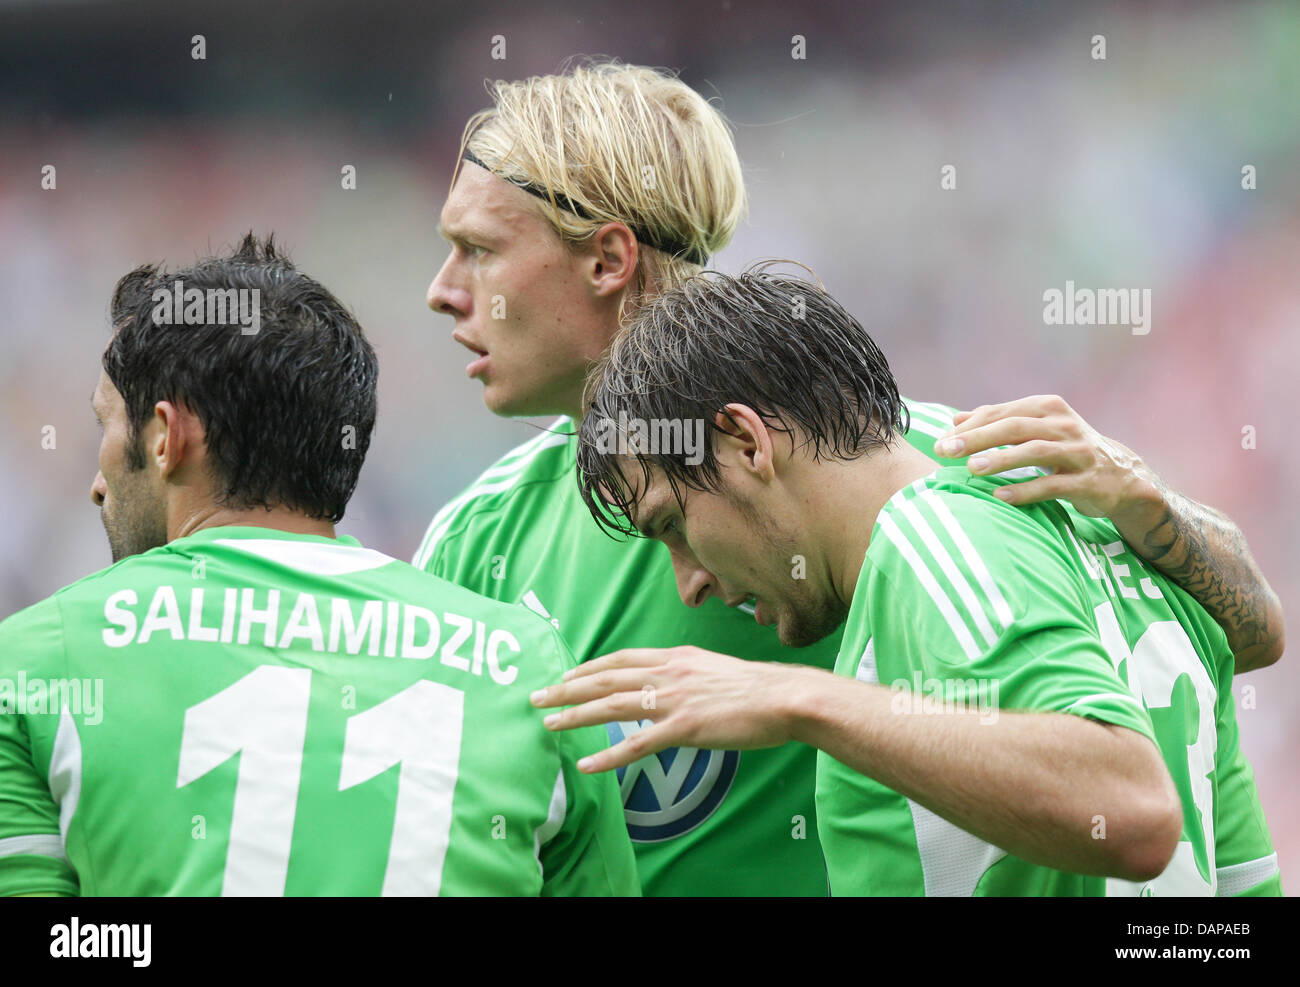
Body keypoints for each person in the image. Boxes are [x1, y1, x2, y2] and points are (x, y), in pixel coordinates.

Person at [417, 58, 1281, 894]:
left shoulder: (925, 481)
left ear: (607, 257)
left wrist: (1151, 504)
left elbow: (1238, 646)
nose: (441, 290)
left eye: (478, 249)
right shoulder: (481, 542)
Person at [537, 265, 1282, 896]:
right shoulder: (1102, 542)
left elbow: (1132, 809)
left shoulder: (929, 537)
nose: (687, 582)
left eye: (674, 525)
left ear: (745, 442)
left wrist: (796, 695)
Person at [0, 235, 637, 897]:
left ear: (167, 436)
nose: (98, 482)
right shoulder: (533, 669)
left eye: (106, 423)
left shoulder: (36, 663)